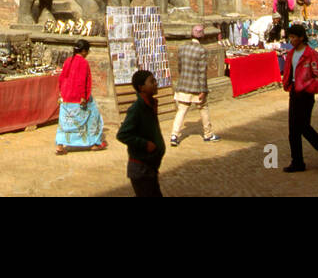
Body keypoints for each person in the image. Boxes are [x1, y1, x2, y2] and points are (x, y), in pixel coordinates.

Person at [280, 23, 318, 173]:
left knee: (303, 126)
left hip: (306, 93)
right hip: (295, 92)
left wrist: (310, 88)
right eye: (290, 37)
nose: (291, 40)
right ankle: (297, 161)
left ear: (301, 38)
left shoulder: (311, 54)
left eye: (294, 37)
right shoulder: (291, 54)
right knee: (293, 130)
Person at [116, 69, 164, 197]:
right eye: (151, 82)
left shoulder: (150, 105)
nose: (155, 84)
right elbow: (122, 134)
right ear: (141, 87)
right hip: (140, 168)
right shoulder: (136, 109)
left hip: (150, 167)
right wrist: (145, 144)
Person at [170, 25, 220, 145]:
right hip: (196, 86)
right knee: (203, 108)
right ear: (202, 36)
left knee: (181, 110)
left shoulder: (182, 48)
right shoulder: (201, 50)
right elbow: (202, 72)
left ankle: (174, 135)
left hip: (183, 84)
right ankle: (208, 134)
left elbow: (180, 67)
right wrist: (203, 90)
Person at [55, 39, 105, 154]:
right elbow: (82, 80)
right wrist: (83, 97)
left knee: (64, 122)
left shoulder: (68, 61)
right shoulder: (83, 63)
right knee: (93, 115)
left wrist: (61, 92)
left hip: (66, 96)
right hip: (78, 96)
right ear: (83, 51)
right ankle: (93, 143)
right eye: (87, 52)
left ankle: (60, 145)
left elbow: (62, 78)